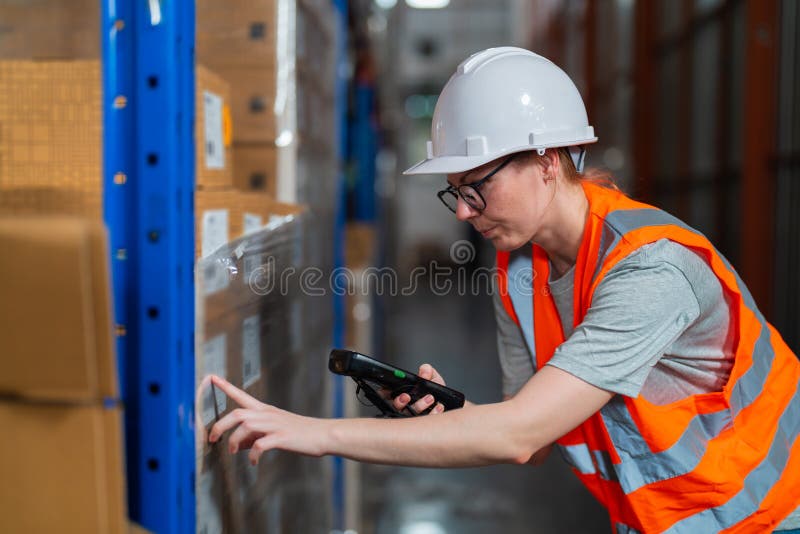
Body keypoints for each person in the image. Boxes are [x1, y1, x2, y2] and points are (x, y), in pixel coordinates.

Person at [207, 47, 800, 533]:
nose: (463, 212)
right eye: (454, 191)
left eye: (477, 186)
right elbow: (535, 435)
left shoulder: (652, 271)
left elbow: (519, 436)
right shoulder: (519, 273)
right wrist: (438, 417)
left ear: (546, 160)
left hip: (769, 515)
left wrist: (316, 432)